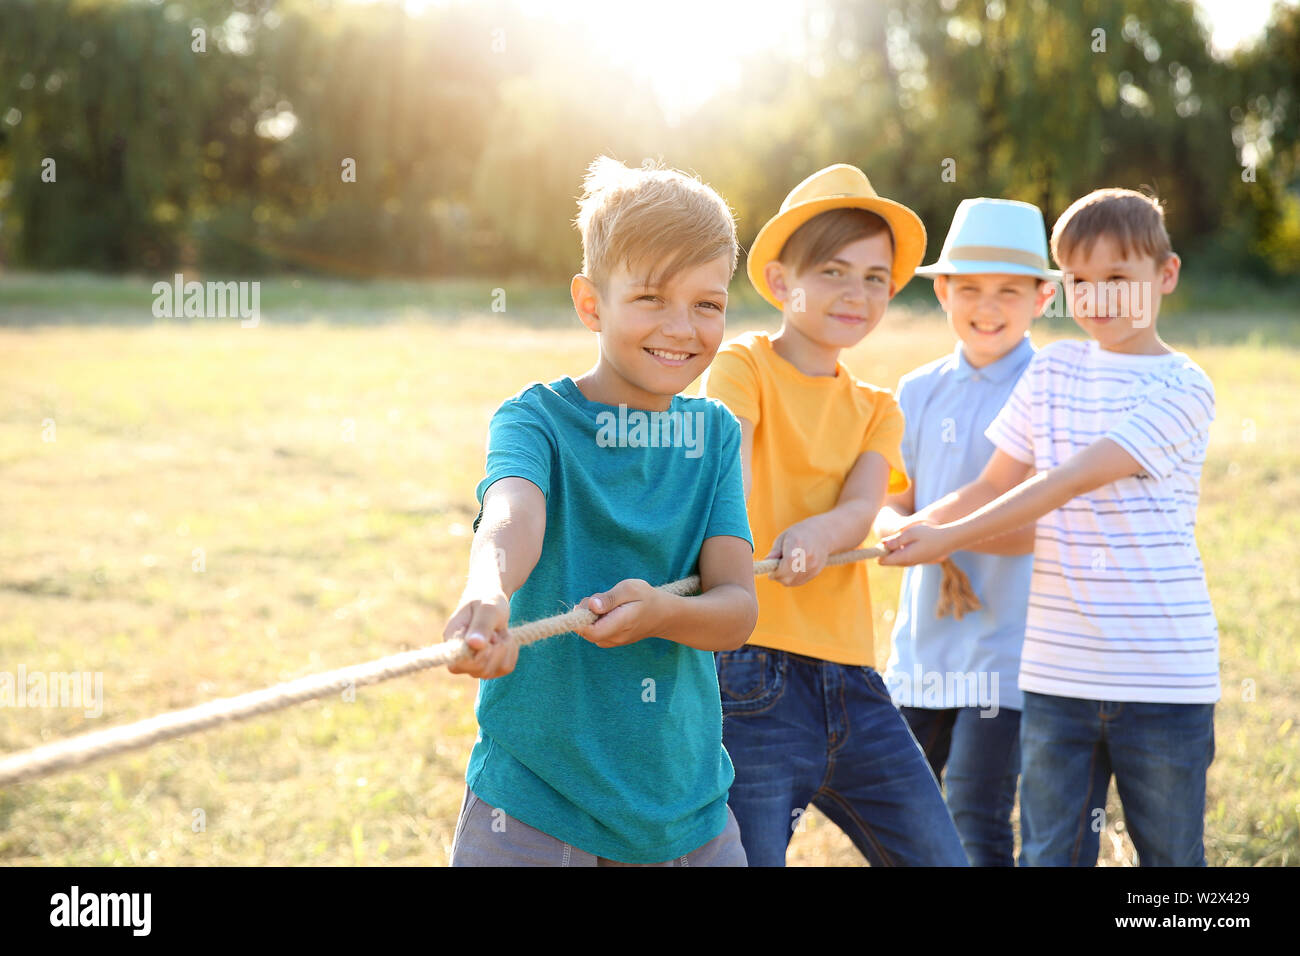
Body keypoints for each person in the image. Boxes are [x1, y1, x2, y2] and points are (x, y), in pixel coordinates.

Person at [880, 187, 1219, 867]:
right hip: (1056, 675)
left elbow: (1065, 481)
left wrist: (946, 539)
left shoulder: (1185, 387)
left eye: (1119, 279)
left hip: (1161, 675)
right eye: (1082, 282)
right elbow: (988, 484)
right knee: (1048, 855)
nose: (1100, 298)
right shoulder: (1054, 370)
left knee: (1172, 859)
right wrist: (911, 527)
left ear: (1167, 275)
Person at [444, 156, 759, 866]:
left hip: (689, 812)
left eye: (707, 304)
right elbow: (510, 516)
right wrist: (487, 589)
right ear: (591, 304)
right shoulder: (537, 420)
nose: (682, 328)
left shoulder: (714, 438)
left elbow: (737, 608)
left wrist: (664, 613)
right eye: (651, 298)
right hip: (534, 810)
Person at [701, 163, 968, 866]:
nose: (857, 293)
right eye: (833, 271)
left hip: (853, 678)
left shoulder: (878, 407)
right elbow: (724, 480)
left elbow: (861, 504)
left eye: (875, 278)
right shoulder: (744, 367)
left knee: (939, 855)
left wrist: (819, 533)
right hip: (747, 668)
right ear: (784, 283)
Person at [873, 197, 1058, 866]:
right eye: (970, 288)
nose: (988, 306)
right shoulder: (916, 390)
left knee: (976, 815)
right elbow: (895, 501)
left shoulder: (1051, 384)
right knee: (903, 818)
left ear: (1042, 297)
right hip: (923, 649)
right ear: (943, 292)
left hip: (1007, 649)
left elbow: (1043, 526)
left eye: (1010, 290)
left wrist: (943, 538)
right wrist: (894, 528)